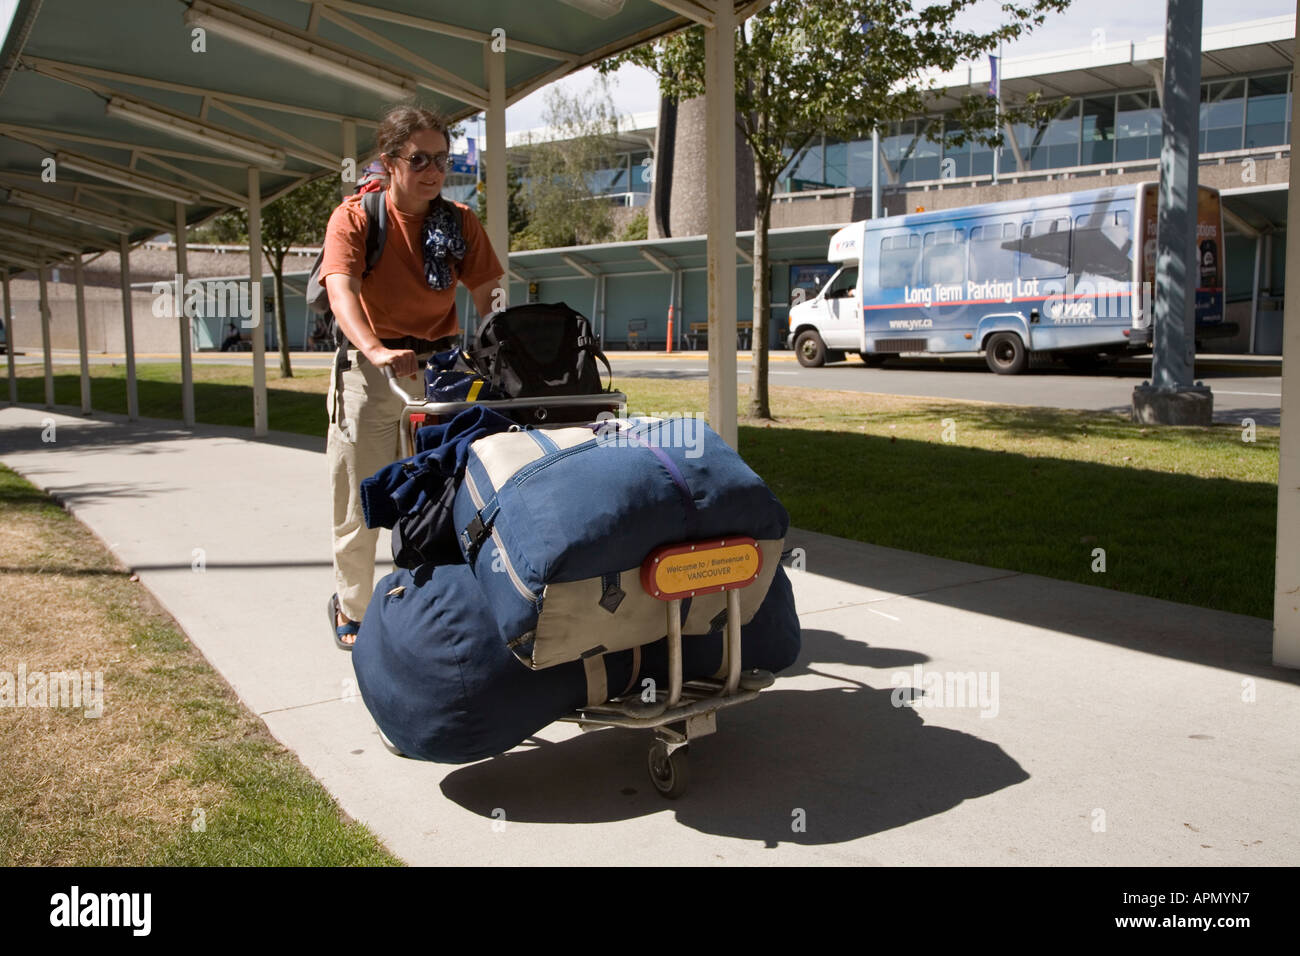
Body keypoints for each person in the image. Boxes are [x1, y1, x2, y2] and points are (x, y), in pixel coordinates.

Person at [319, 105, 504, 650]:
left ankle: (432, 604)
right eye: (419, 159)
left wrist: (496, 338)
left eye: (442, 160)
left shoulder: (458, 222)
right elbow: (341, 290)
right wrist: (375, 348)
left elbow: (488, 287)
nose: (433, 171)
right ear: (389, 161)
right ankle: (352, 609)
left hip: (441, 372)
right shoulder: (355, 218)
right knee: (361, 501)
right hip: (372, 373)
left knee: (439, 493)